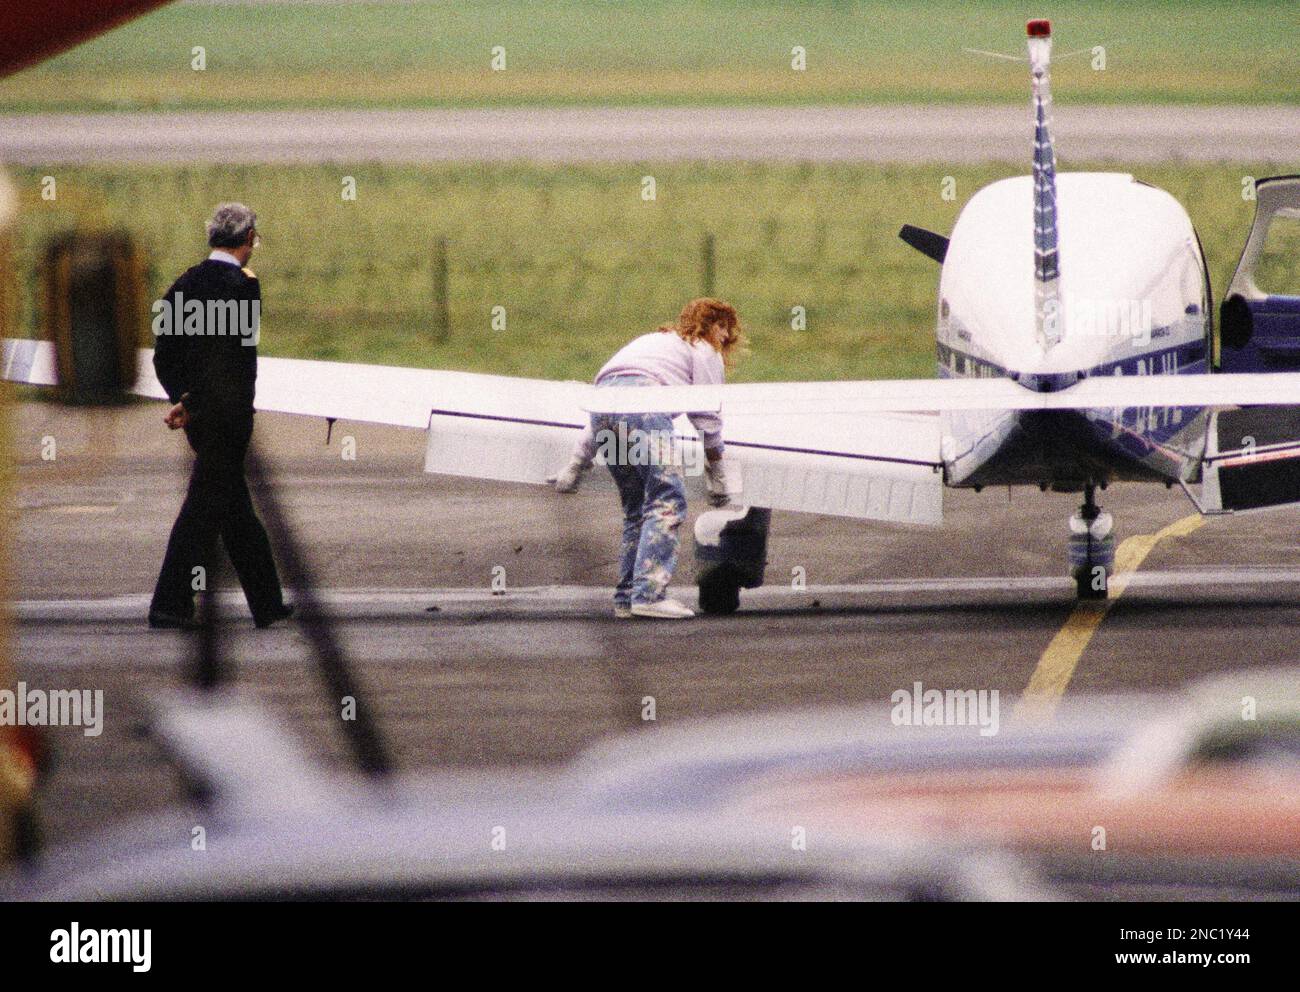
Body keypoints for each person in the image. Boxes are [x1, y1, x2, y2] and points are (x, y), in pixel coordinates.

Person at [550, 298, 744, 619]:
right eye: (723, 327)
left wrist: (576, 464)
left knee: (636, 509)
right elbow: (707, 413)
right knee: (667, 499)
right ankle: (649, 594)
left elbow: (607, 403)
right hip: (645, 407)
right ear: (711, 325)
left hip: (604, 411)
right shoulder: (704, 349)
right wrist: (719, 474)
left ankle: (626, 597)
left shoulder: (651, 342)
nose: (725, 337)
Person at [148, 203, 292, 630]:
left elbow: (163, 357)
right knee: (204, 508)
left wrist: (183, 399)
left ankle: (267, 604)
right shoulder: (244, 287)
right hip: (227, 418)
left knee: (234, 509)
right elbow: (232, 362)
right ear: (248, 240)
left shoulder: (182, 286)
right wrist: (197, 402)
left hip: (197, 418)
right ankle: (169, 605)